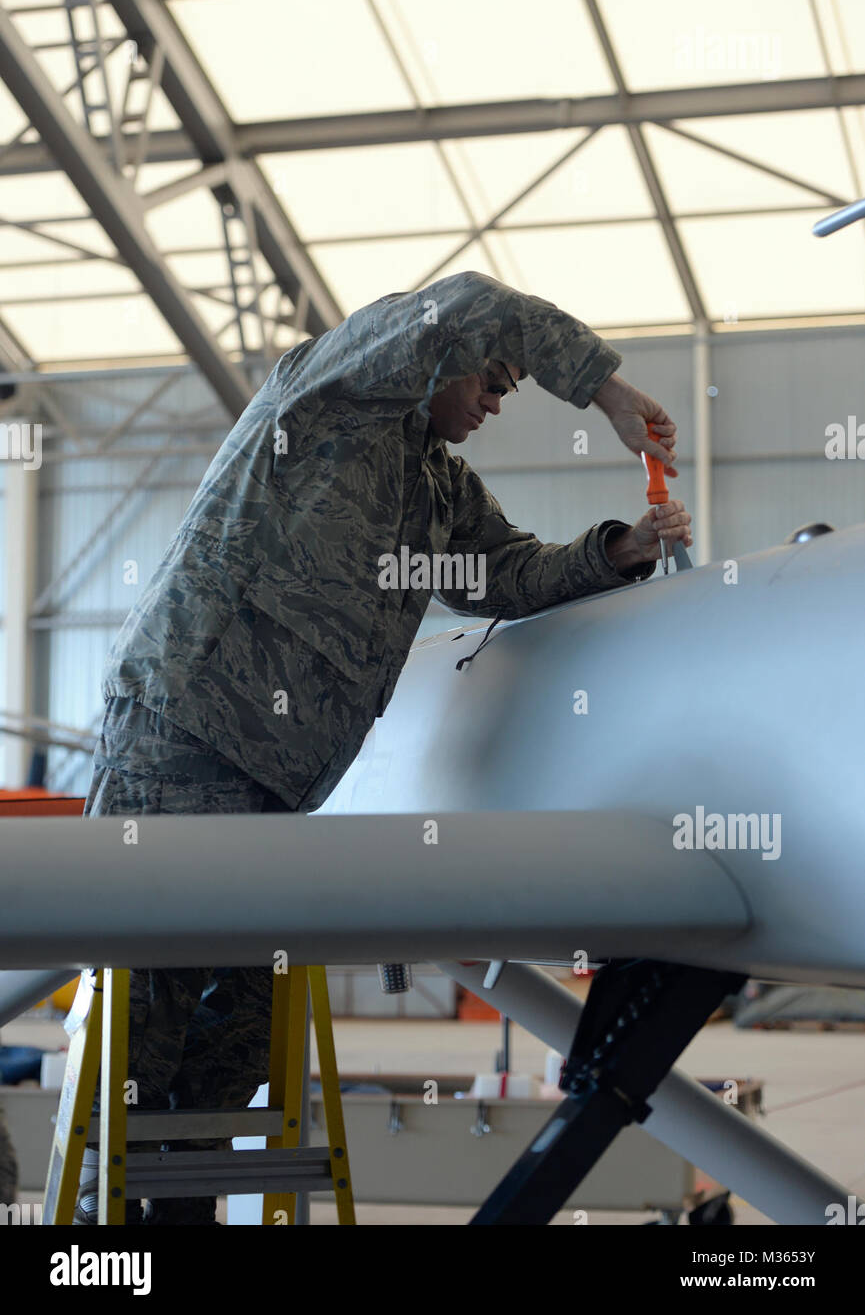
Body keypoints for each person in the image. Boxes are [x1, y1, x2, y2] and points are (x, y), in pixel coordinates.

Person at [79, 271, 691, 1224]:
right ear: (436, 358)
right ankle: (100, 1239)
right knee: (140, 1025)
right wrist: (607, 390)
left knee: (236, 1039)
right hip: (183, 741)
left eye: (510, 387)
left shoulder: (435, 488)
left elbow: (501, 572)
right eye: (489, 377)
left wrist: (614, 553)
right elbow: (471, 300)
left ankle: (173, 1223)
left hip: (279, 786)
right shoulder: (332, 400)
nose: (496, 398)